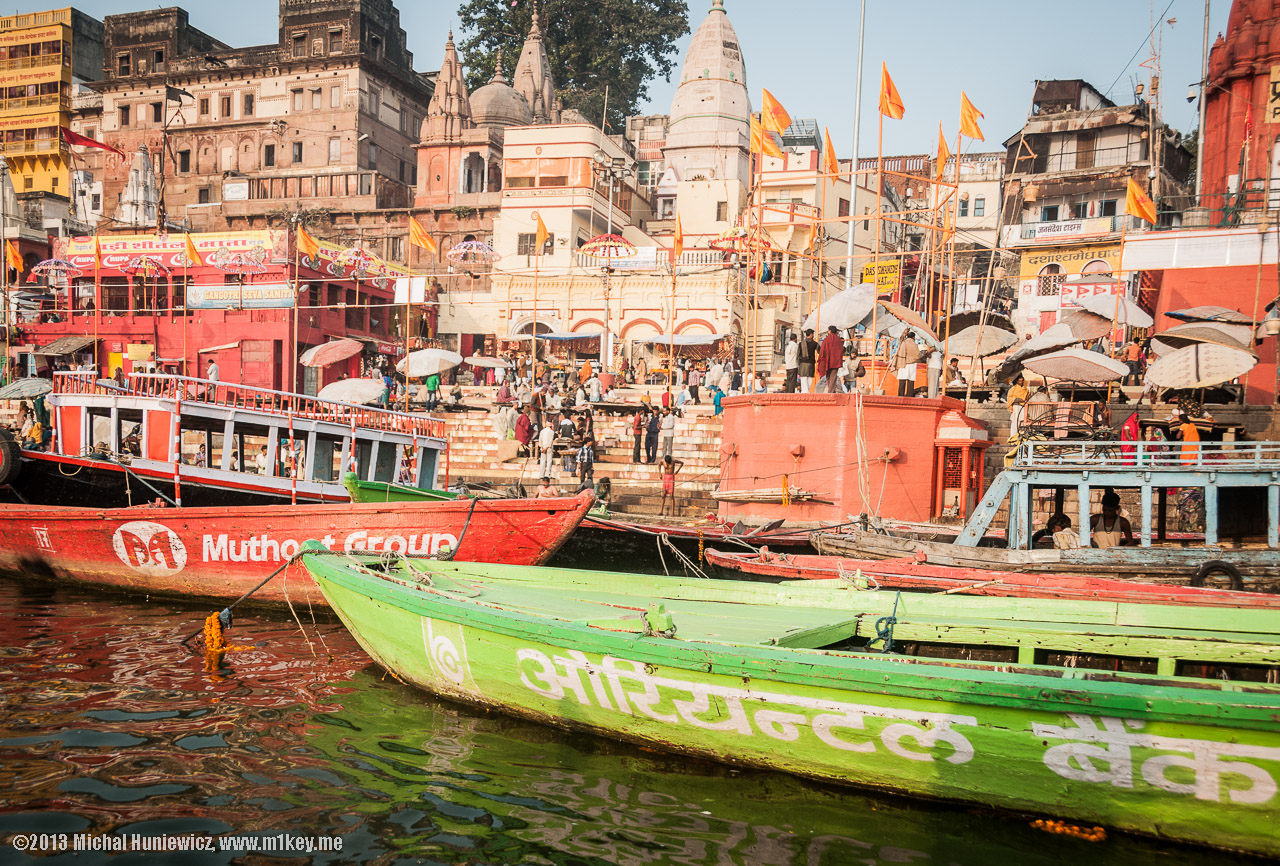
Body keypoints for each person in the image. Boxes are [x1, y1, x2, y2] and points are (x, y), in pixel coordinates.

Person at [893, 330, 922, 397]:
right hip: (912, 364)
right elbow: (918, 355)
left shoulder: (903, 342)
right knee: (911, 381)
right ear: (913, 337)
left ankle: (900, 395)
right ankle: (909, 396)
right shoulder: (914, 344)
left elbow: (900, 339)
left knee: (902, 380)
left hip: (903, 362)